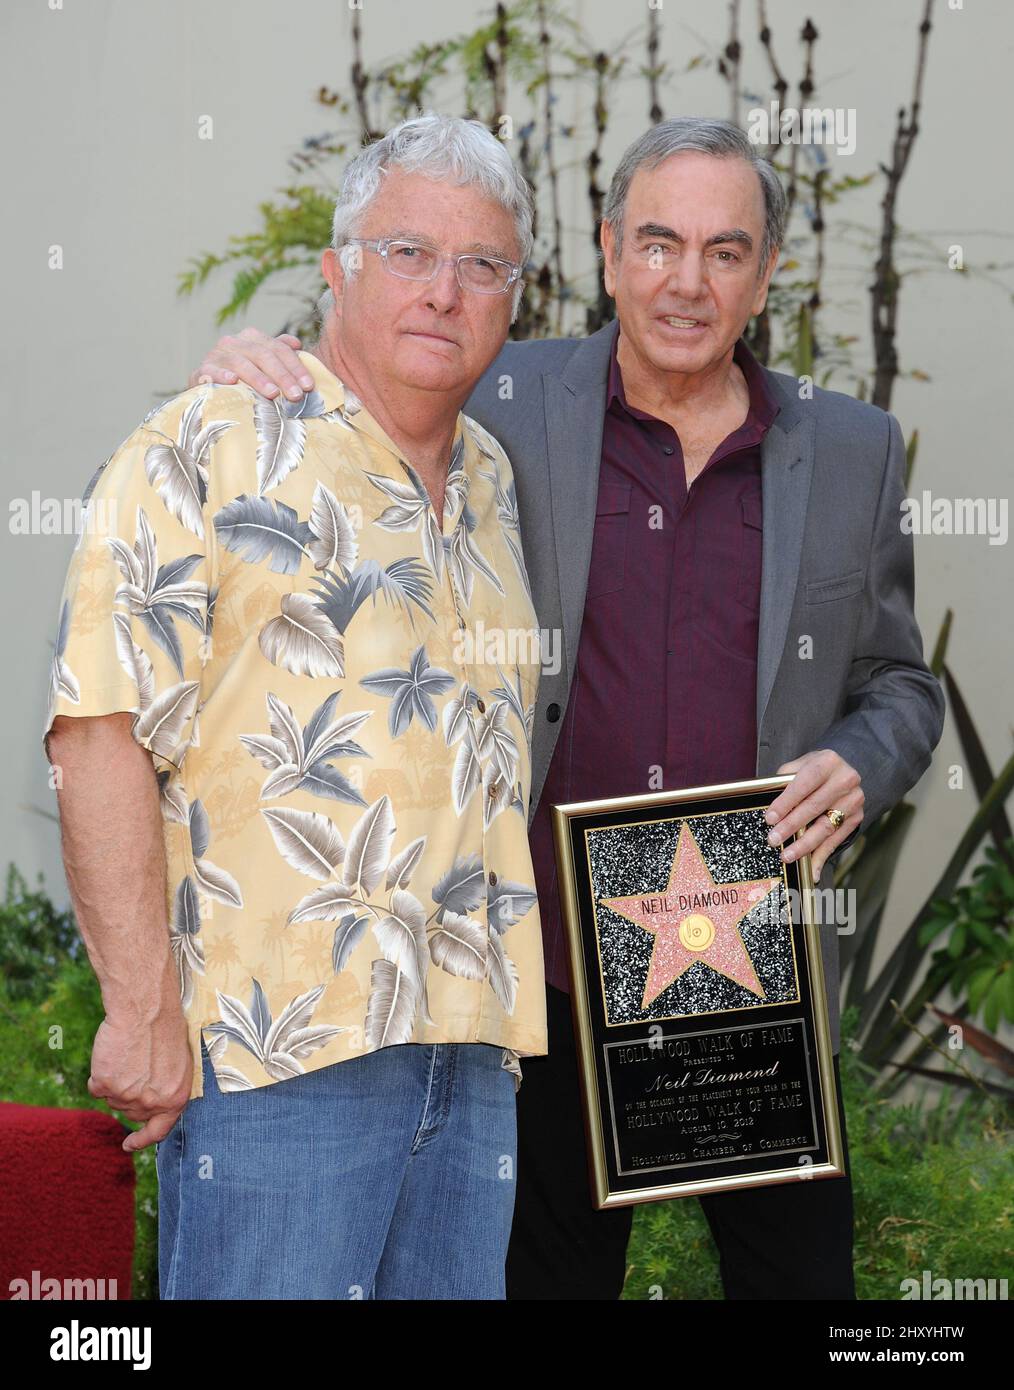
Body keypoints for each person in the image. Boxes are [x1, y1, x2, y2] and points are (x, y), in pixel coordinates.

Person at [194, 117, 947, 1301]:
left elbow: (903, 678)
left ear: (767, 272)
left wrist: (862, 757)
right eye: (656, 242)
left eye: (723, 250)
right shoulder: (503, 391)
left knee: (803, 1289)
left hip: (743, 971)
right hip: (537, 971)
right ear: (606, 249)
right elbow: (361, 385)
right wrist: (254, 368)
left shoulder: (851, 451)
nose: (685, 282)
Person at [42, 113, 550, 1300]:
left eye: (482, 266)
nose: (445, 291)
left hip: (470, 1059)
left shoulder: (493, 482)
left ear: (513, 300)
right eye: (408, 253)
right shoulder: (208, 442)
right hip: (274, 1058)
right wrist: (138, 1013)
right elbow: (97, 730)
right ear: (336, 269)